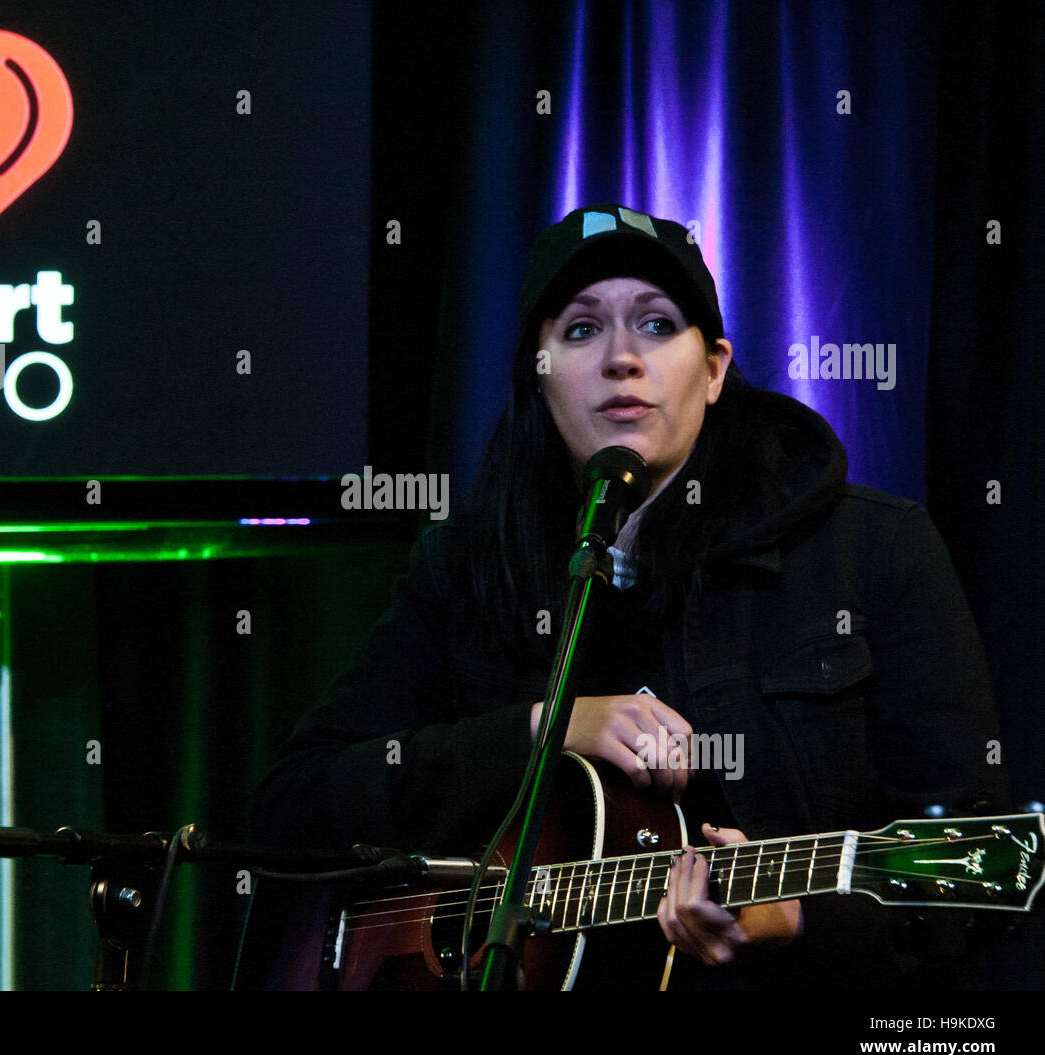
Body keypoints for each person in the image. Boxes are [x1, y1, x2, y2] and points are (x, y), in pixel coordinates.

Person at [249, 203, 1009, 990]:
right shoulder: (465, 569)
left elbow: (972, 878)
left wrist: (800, 919)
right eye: (580, 330)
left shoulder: (873, 551)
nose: (621, 357)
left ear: (714, 369)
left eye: (655, 323)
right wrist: (547, 729)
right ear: (537, 376)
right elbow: (291, 809)